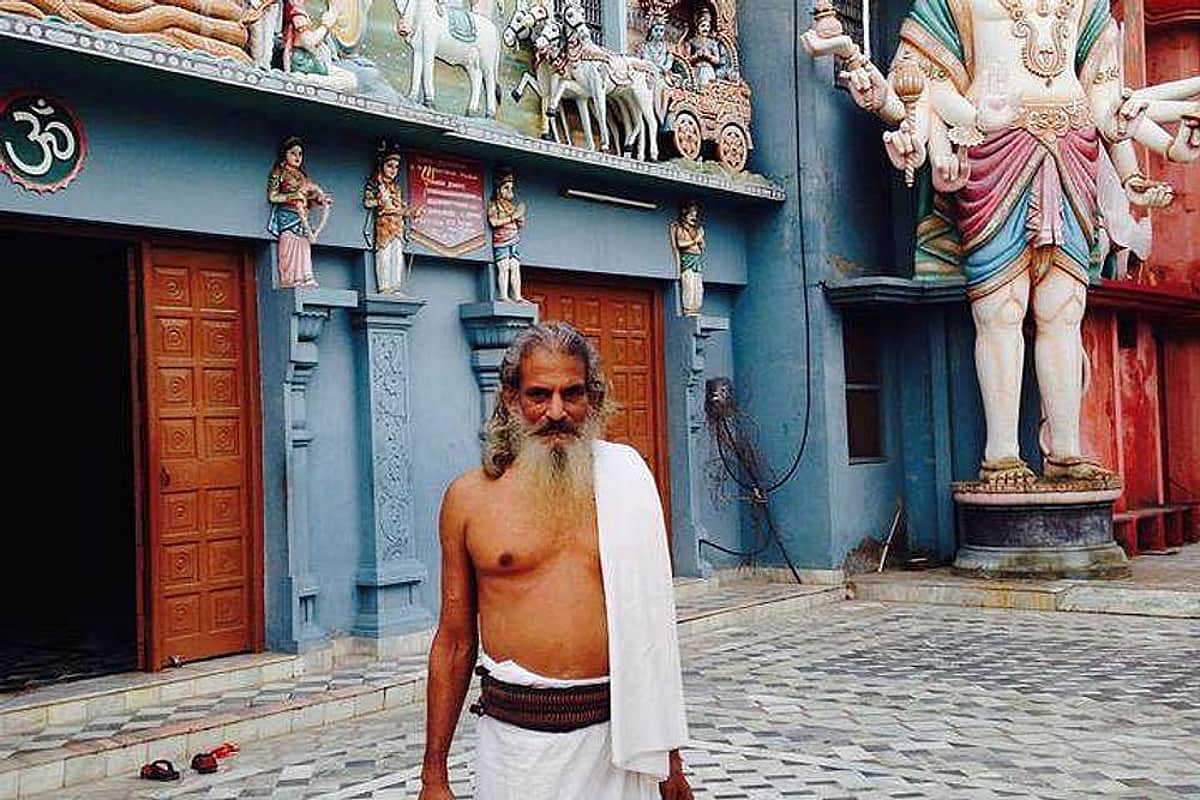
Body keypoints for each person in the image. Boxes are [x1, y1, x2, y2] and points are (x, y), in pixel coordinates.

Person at [833, 0, 1198, 483]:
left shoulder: (1087, 6)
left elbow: (1109, 104)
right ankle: (1002, 453)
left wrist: (1164, 151)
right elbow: (918, 76)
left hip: (1073, 152)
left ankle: (1065, 451)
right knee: (1000, 311)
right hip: (994, 154)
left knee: (1064, 310)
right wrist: (960, 122)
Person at [420, 322, 693, 800]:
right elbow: (455, 641)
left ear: (593, 398)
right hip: (517, 751)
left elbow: (653, 630)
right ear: (510, 398)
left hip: (620, 743)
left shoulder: (626, 482)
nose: (556, 412)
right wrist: (434, 774)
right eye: (538, 395)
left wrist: (669, 758)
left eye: (572, 393)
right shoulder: (469, 499)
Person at [267, 136, 331, 288]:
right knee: (290, 245)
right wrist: (292, 196)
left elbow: (309, 196)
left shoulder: (303, 177)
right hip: (288, 216)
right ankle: (291, 278)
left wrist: (321, 199)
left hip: (303, 217)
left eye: (300, 154)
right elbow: (272, 196)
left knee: (304, 245)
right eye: (293, 153)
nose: (297, 157)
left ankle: (305, 276)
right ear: (285, 154)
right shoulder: (279, 173)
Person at [363, 146, 422, 295]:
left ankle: (395, 287)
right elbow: (367, 202)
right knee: (384, 255)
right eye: (389, 166)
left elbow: (401, 208)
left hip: (397, 226)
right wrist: (380, 201)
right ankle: (384, 287)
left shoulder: (396, 188)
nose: (393, 170)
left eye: (396, 167)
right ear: (382, 165)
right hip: (384, 225)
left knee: (397, 256)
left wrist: (412, 213)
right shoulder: (375, 184)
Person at [486, 168, 528, 303]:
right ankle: (503, 295)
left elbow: (520, 224)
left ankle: (517, 296)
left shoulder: (512, 207)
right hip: (502, 241)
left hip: (514, 239)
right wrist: (512, 217)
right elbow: (493, 222)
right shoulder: (495, 206)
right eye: (506, 188)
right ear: (498, 190)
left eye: (511, 188)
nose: (510, 191)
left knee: (515, 267)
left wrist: (520, 217)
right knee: (503, 267)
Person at [670, 200, 705, 316]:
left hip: (696, 259)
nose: (693, 218)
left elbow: (702, 246)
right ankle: (688, 309)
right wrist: (696, 239)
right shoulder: (680, 229)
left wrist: (700, 238)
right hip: (687, 259)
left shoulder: (695, 230)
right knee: (689, 284)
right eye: (691, 215)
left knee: (698, 286)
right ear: (685, 216)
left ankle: (696, 308)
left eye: (695, 215)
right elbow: (681, 244)